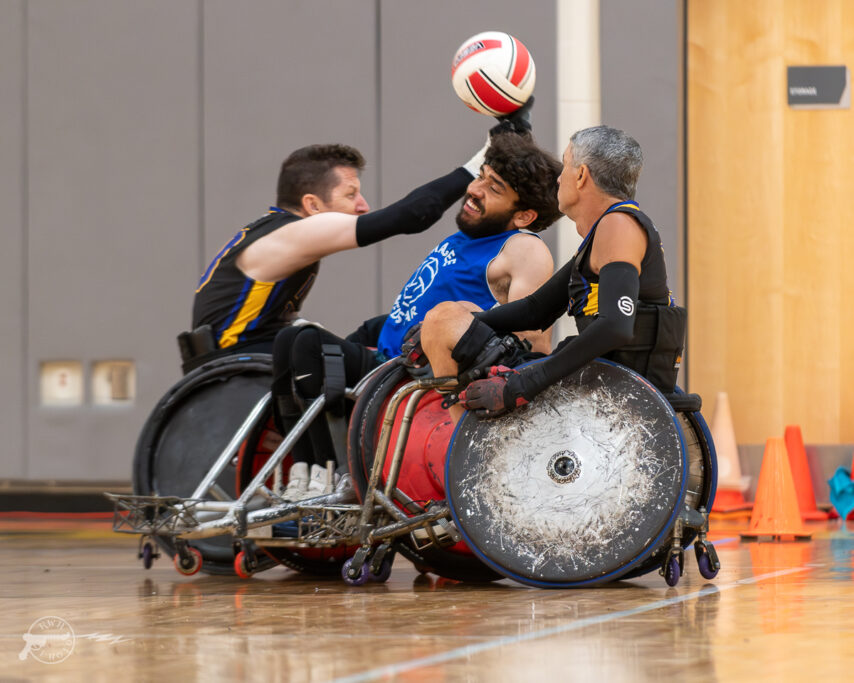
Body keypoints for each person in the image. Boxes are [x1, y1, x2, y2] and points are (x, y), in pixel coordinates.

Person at [273, 130, 563, 500]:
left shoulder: (523, 249)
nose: (474, 190)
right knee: (289, 340)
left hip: (409, 374)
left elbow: (531, 343)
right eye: (481, 177)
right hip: (386, 349)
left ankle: (334, 475)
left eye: (494, 188)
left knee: (307, 345)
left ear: (523, 214)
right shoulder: (470, 236)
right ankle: (304, 470)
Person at [420, 125, 686, 423]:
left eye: (566, 164)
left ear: (582, 175)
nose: (560, 177)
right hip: (598, 378)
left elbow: (617, 326)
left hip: (616, 393)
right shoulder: (605, 233)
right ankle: (464, 437)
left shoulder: (618, 225)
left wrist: (522, 385)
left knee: (444, 319)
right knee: (453, 316)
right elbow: (536, 310)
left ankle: (464, 449)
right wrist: (458, 325)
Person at [187, 138, 489, 365]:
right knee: (387, 366)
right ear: (312, 205)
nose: (363, 205)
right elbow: (411, 215)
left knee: (387, 326)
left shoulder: (274, 231)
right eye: (350, 194)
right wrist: (476, 165)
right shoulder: (292, 233)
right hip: (239, 364)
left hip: (246, 352)